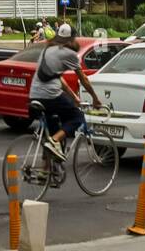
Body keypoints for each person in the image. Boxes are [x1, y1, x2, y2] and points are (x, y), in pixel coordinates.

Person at [29, 22, 101, 160]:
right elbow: (83, 79)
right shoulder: (69, 54)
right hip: (50, 96)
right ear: (72, 38)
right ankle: (54, 141)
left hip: (33, 96)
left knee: (53, 128)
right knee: (77, 117)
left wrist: (74, 97)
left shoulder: (47, 49)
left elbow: (58, 79)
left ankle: (46, 171)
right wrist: (95, 99)